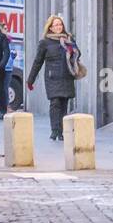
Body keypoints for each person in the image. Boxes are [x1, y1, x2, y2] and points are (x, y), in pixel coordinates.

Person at [27, 13, 79, 141]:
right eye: (56, 25)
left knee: (64, 104)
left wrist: (72, 50)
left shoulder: (69, 39)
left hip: (66, 76)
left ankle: (62, 132)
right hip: (52, 77)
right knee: (55, 103)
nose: (58, 27)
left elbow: (78, 54)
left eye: (60, 24)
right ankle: (54, 130)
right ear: (50, 27)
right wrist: (31, 80)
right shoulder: (45, 42)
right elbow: (38, 61)